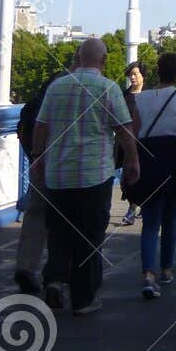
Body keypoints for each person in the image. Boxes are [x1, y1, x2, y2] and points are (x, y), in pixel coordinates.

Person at [32, 37, 138, 315]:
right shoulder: (108, 88)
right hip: (94, 176)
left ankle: (54, 280)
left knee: (58, 233)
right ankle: (83, 299)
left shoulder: (57, 87)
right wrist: (133, 162)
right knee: (90, 237)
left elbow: (40, 126)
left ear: (78, 58)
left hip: (58, 175)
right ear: (103, 61)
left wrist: (37, 157)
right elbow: (125, 130)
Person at [131, 52, 176, 299]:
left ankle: (148, 275)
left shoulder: (141, 98)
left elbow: (135, 133)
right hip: (175, 159)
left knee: (150, 222)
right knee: (171, 218)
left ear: (157, 71)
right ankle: (167, 269)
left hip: (149, 160)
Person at [12, 77, 53, 294]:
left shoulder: (32, 106)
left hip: (38, 166)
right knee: (66, 222)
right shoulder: (60, 105)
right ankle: (56, 275)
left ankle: (25, 266)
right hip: (63, 169)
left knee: (35, 217)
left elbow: (23, 133)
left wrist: (34, 158)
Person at [116, 61, 145, 227]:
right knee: (128, 177)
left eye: (136, 74)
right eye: (131, 74)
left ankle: (137, 208)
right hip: (127, 143)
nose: (133, 77)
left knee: (143, 174)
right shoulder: (124, 96)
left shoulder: (149, 94)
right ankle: (132, 207)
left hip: (145, 142)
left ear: (143, 75)